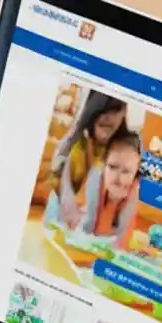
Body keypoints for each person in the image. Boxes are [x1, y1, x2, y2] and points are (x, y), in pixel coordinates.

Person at [51, 91, 127, 228]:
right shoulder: (76, 148)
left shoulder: (125, 151)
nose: (108, 118)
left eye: (115, 111)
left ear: (124, 113)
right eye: (102, 111)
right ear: (91, 110)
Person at [78, 131, 142, 248]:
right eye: (112, 167)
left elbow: (121, 240)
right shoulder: (95, 180)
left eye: (126, 171)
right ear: (104, 163)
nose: (118, 177)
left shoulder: (135, 192)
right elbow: (86, 226)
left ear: (135, 174)